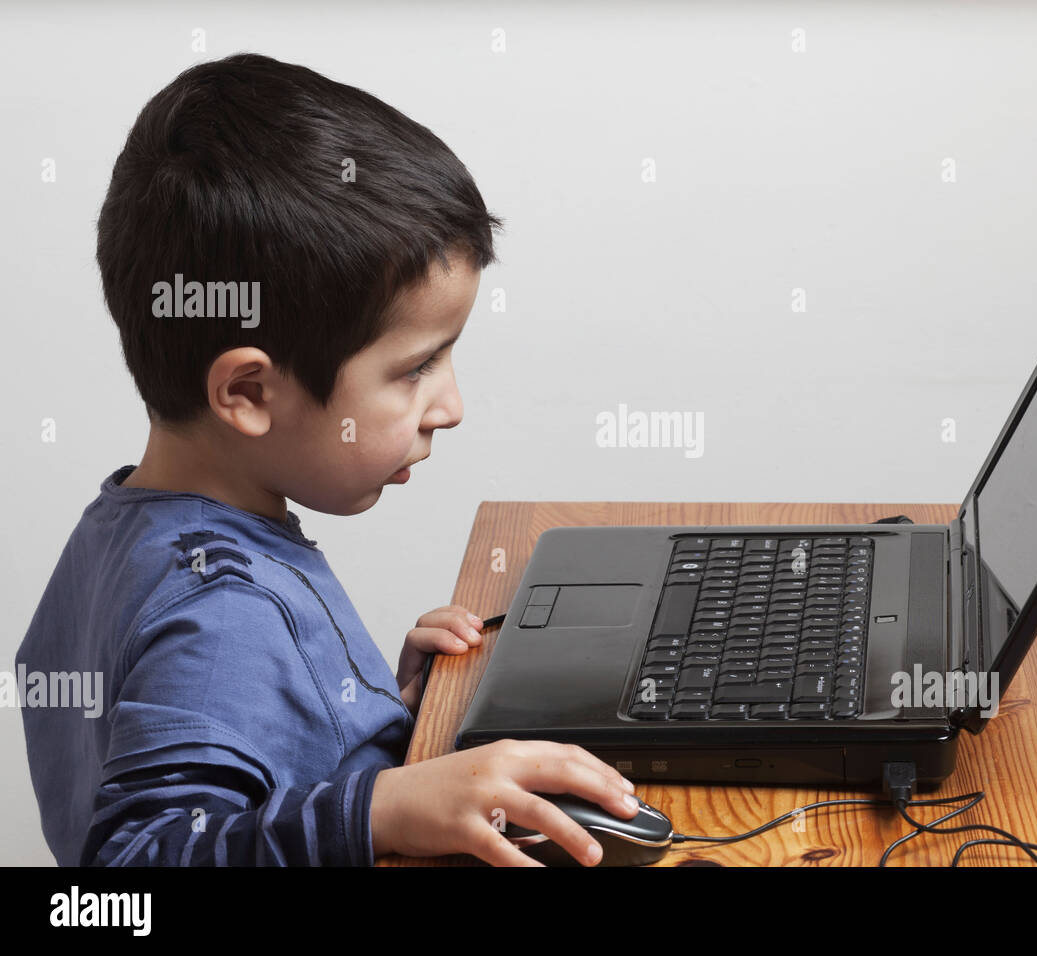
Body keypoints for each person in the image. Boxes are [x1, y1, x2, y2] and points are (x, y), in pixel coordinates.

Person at [16, 52, 637, 867]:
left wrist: (382, 719)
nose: (450, 407)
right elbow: (134, 869)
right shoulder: (221, 610)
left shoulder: (121, 529)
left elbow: (241, 762)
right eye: (415, 368)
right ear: (248, 393)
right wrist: (378, 806)